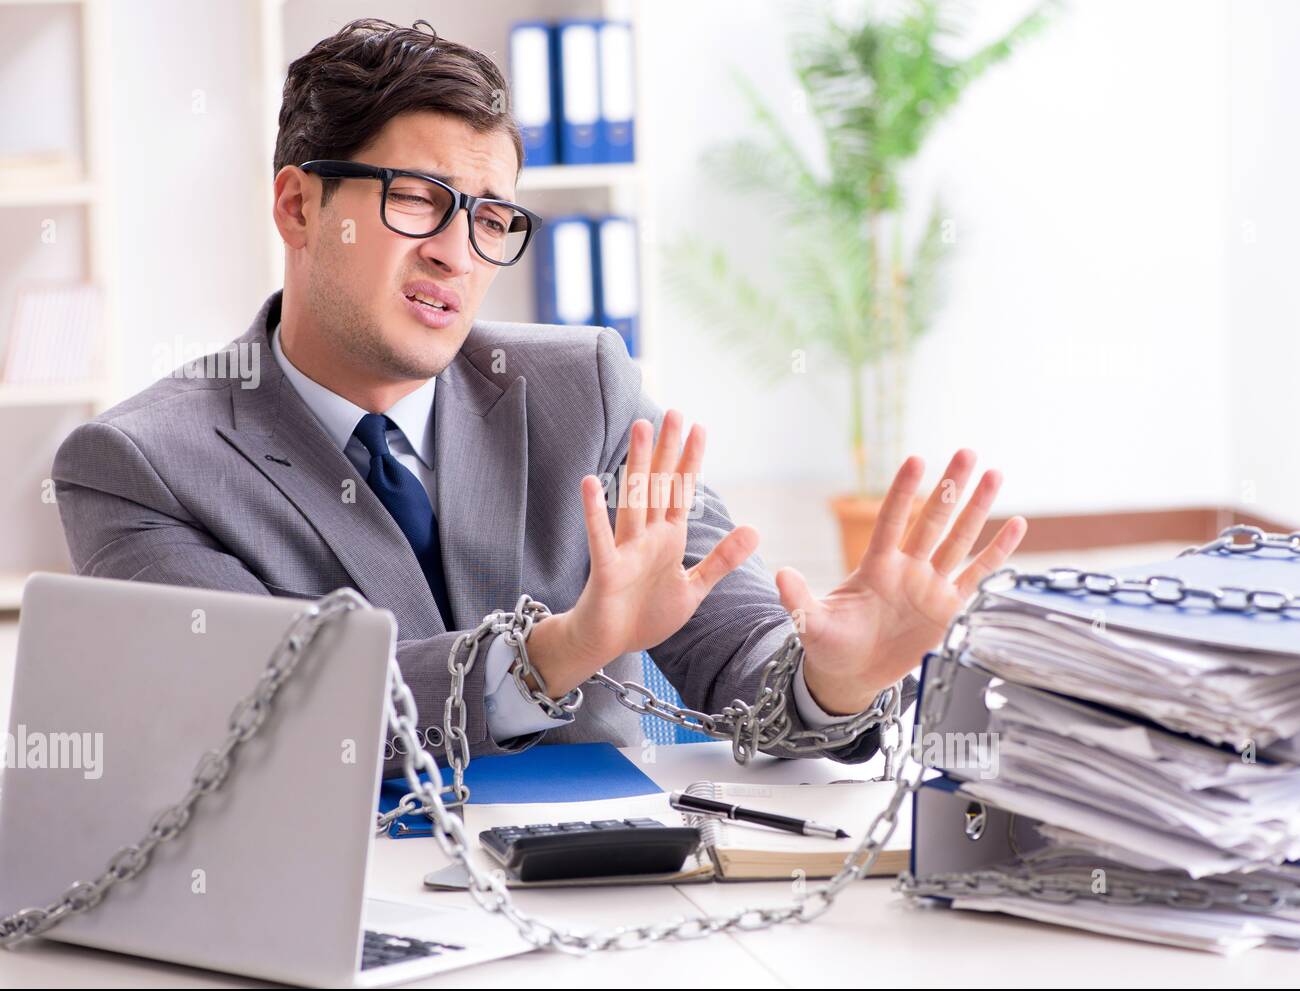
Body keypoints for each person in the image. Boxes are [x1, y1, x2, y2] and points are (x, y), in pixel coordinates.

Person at [52, 19, 1027, 776]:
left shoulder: (583, 389)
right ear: (300, 206)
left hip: (605, 914)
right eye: (416, 199)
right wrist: (557, 650)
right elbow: (268, 714)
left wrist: (832, 676)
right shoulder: (140, 464)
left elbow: (740, 659)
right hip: (342, 924)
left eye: (489, 217)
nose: (454, 250)